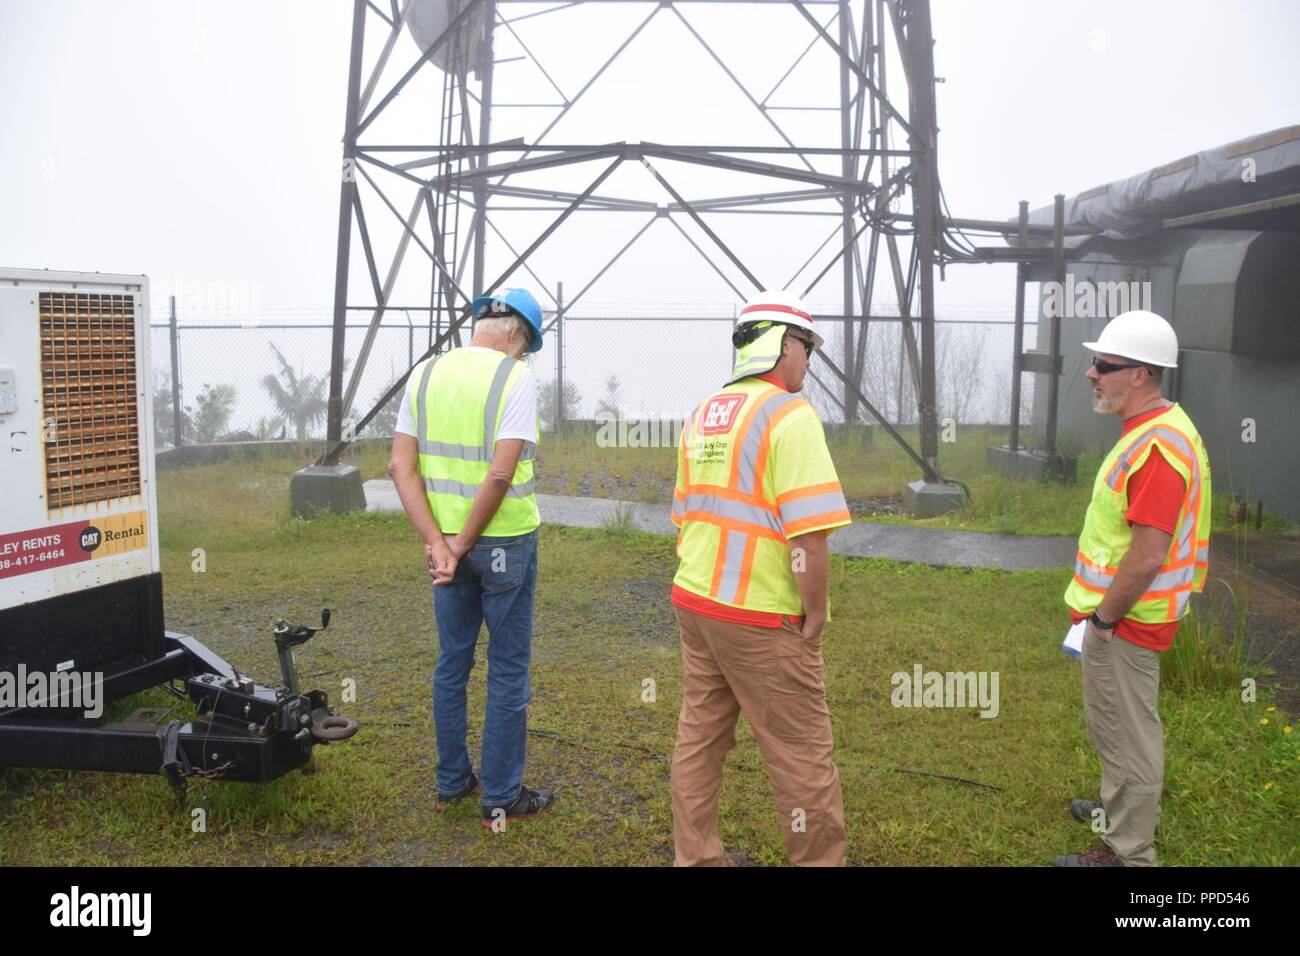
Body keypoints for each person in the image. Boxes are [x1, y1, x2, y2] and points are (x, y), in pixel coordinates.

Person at [669, 289, 853, 866]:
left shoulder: (705, 413)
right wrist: (815, 614)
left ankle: (695, 858)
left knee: (700, 739)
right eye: (808, 347)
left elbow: (685, 513)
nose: (808, 361)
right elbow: (809, 536)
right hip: (762, 616)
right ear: (784, 344)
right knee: (802, 756)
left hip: (697, 602)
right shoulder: (789, 415)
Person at [387, 288, 555, 829]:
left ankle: (451, 781)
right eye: (527, 345)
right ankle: (502, 797)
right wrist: (459, 546)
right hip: (505, 544)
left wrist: (440, 542)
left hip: (446, 548)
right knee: (507, 671)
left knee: (452, 663)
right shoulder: (516, 378)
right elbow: (502, 474)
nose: (524, 355)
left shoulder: (425, 374)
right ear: (516, 333)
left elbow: (399, 468)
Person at [1056, 309, 1211, 867]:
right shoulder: (1153, 431)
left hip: (1127, 621)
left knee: (1130, 735)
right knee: (1113, 725)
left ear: (1141, 373)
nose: (1092, 373)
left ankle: (1127, 854)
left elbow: (1148, 555)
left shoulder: (1157, 449)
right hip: (1121, 617)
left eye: (1104, 365)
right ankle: (1114, 808)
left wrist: (1102, 621)